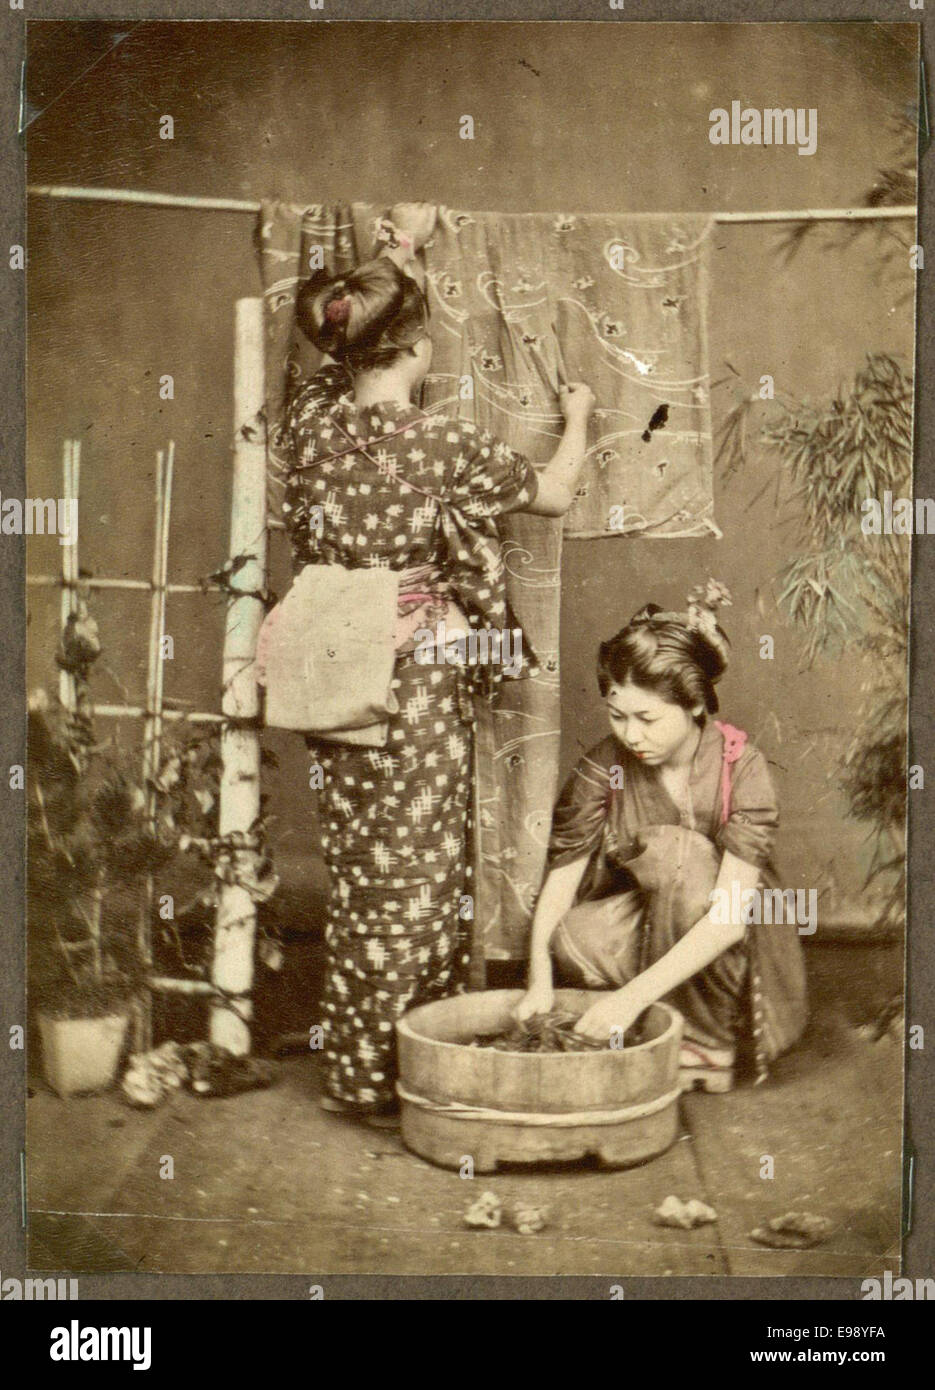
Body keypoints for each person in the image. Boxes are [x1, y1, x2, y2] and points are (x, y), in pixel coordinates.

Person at [282, 203, 596, 1122]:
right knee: (417, 877)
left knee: (361, 872)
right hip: (413, 676)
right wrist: (575, 414)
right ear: (417, 347)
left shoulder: (309, 427)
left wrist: (394, 251)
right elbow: (556, 493)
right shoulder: (441, 443)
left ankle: (359, 1067)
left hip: (332, 664)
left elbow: (332, 354)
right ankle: (401, 1075)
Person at [514, 583, 808, 1091]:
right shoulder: (604, 765)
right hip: (647, 921)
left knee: (682, 853)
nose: (630, 735)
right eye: (617, 715)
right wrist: (538, 980)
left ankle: (706, 1042)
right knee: (572, 938)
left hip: (727, 932)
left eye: (647, 718)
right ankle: (656, 1014)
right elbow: (561, 883)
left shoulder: (742, 765)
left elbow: (729, 920)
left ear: (695, 704)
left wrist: (627, 1001)